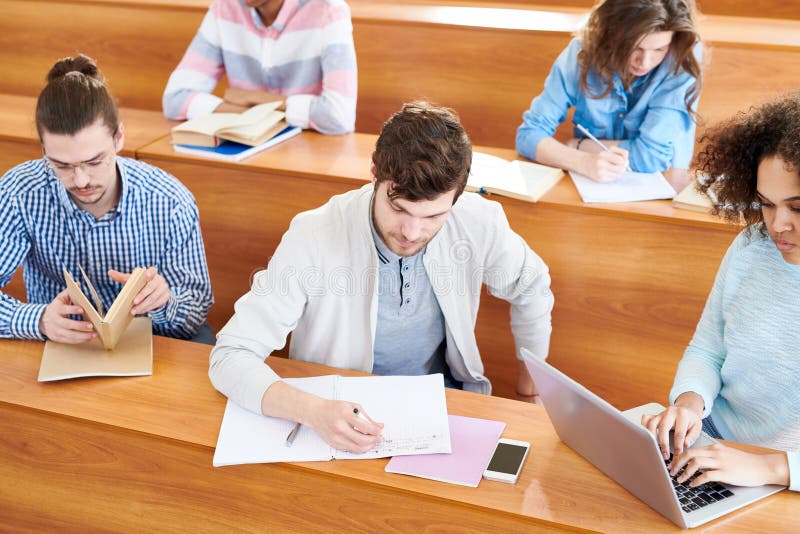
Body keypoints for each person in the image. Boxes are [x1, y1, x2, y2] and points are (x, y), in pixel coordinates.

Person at [210, 101, 554, 453]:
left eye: (433, 216)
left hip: (441, 407)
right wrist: (312, 411)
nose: (411, 231)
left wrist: (530, 391)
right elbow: (230, 356)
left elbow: (533, 286)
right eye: (398, 208)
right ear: (374, 173)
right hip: (335, 412)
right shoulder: (314, 233)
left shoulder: (477, 220)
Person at [641, 93, 800, 492]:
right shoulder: (751, 246)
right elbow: (709, 350)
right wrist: (689, 405)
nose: (778, 224)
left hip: (783, 471)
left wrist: (769, 470)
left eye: (798, 208)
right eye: (766, 204)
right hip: (712, 444)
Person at [0, 54, 214, 344]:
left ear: (119, 138)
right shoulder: (18, 193)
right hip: (60, 344)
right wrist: (37, 320)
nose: (80, 180)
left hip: (153, 342)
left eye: (94, 160)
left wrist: (165, 302)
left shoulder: (170, 200)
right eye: (61, 165)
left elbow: (195, 312)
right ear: (43, 149)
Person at [516, 0, 702, 189]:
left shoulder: (682, 58)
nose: (645, 62)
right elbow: (528, 135)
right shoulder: (582, 52)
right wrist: (584, 162)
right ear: (611, 34)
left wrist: (577, 145)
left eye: (659, 49)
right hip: (592, 187)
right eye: (635, 47)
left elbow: (651, 158)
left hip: (663, 190)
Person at [162, 0, 357, 135]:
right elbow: (175, 98)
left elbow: (339, 116)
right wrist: (255, 115)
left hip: (310, 149)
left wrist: (256, 100)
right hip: (244, 146)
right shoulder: (224, 8)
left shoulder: (329, 10)